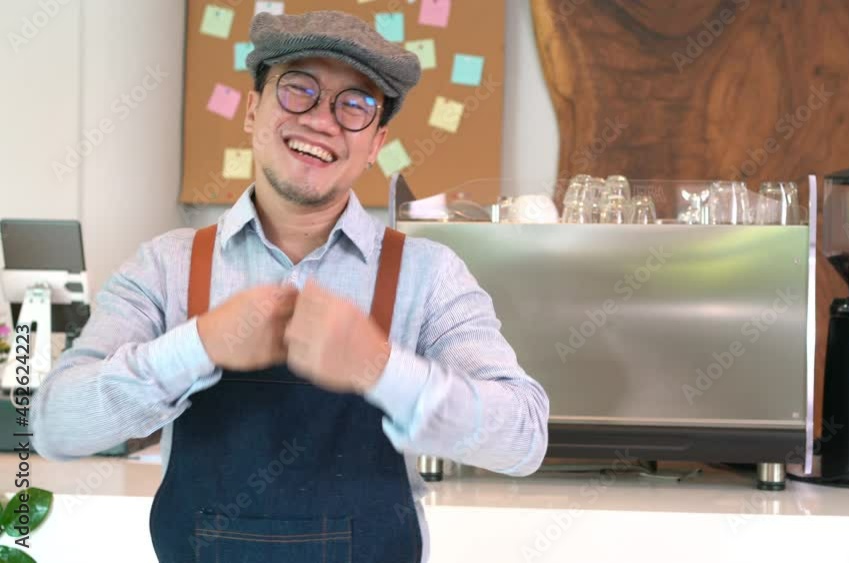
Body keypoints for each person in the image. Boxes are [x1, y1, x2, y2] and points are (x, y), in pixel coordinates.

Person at [31, 10, 549, 562]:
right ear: (253, 110)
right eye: (299, 89)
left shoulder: (429, 275)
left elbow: (523, 439)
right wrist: (198, 344)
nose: (323, 120)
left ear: (376, 143)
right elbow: (53, 426)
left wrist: (379, 366)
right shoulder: (166, 266)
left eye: (354, 105)